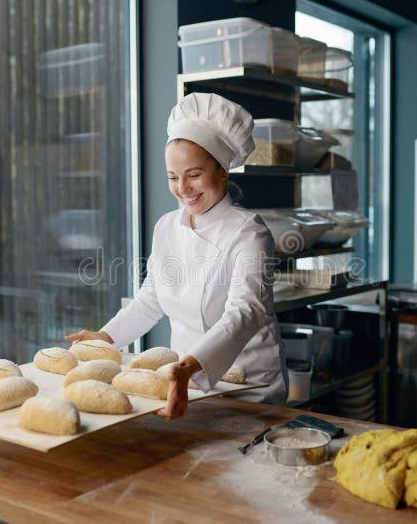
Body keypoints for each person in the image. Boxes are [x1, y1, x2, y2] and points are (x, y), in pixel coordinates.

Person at [65, 93, 287, 419]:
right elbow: (150, 300)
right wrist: (106, 338)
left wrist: (190, 366)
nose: (182, 188)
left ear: (223, 170)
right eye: (172, 177)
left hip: (248, 386)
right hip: (184, 382)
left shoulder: (250, 233)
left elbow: (246, 312)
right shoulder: (167, 227)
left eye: (194, 174)